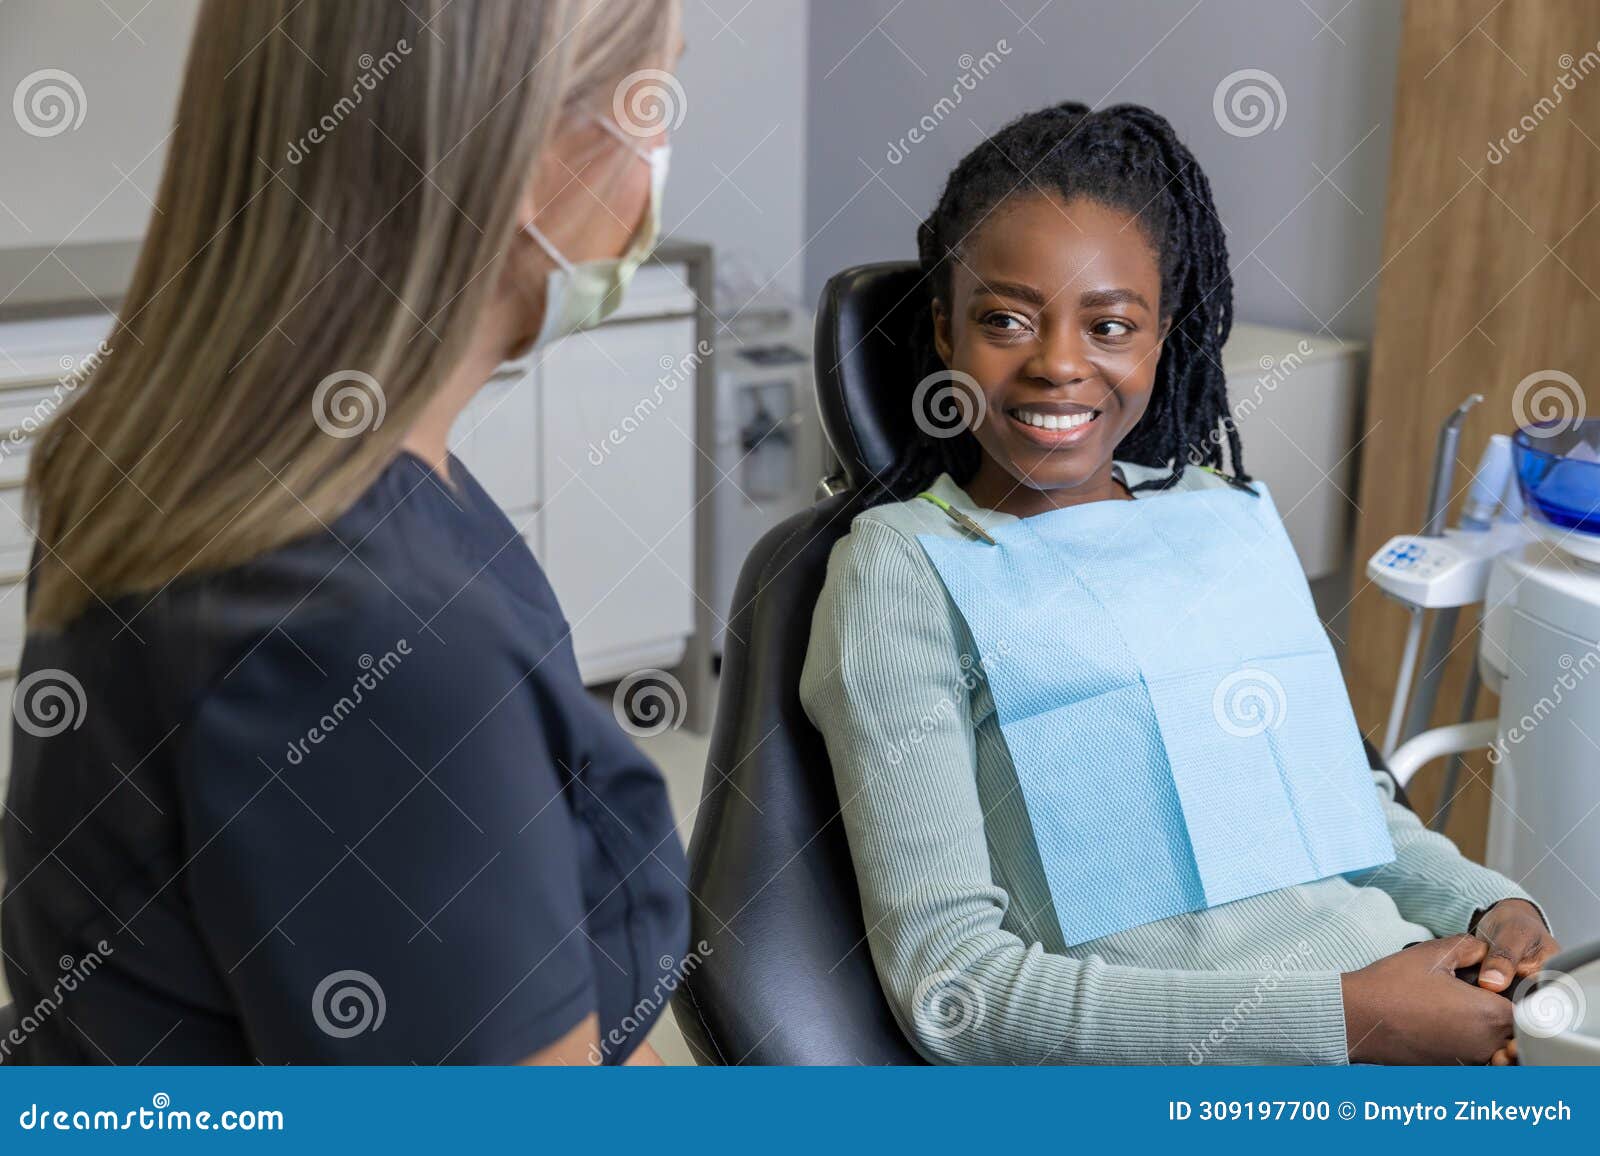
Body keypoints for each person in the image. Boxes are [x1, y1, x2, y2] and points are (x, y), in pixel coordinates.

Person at [2, 0, 688, 1065]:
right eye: (652, 105)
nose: (657, 164)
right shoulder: (363, 630)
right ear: (523, 159)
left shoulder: (186, 451)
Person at [800, 101, 1557, 1066]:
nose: (1059, 364)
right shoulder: (903, 569)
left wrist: (1483, 904)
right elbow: (955, 994)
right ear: (944, 335)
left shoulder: (1220, 513)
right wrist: (1344, 1021)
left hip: (1413, 1020)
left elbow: (1344, 816)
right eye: (1004, 319)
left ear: (1163, 338)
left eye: (1110, 324)